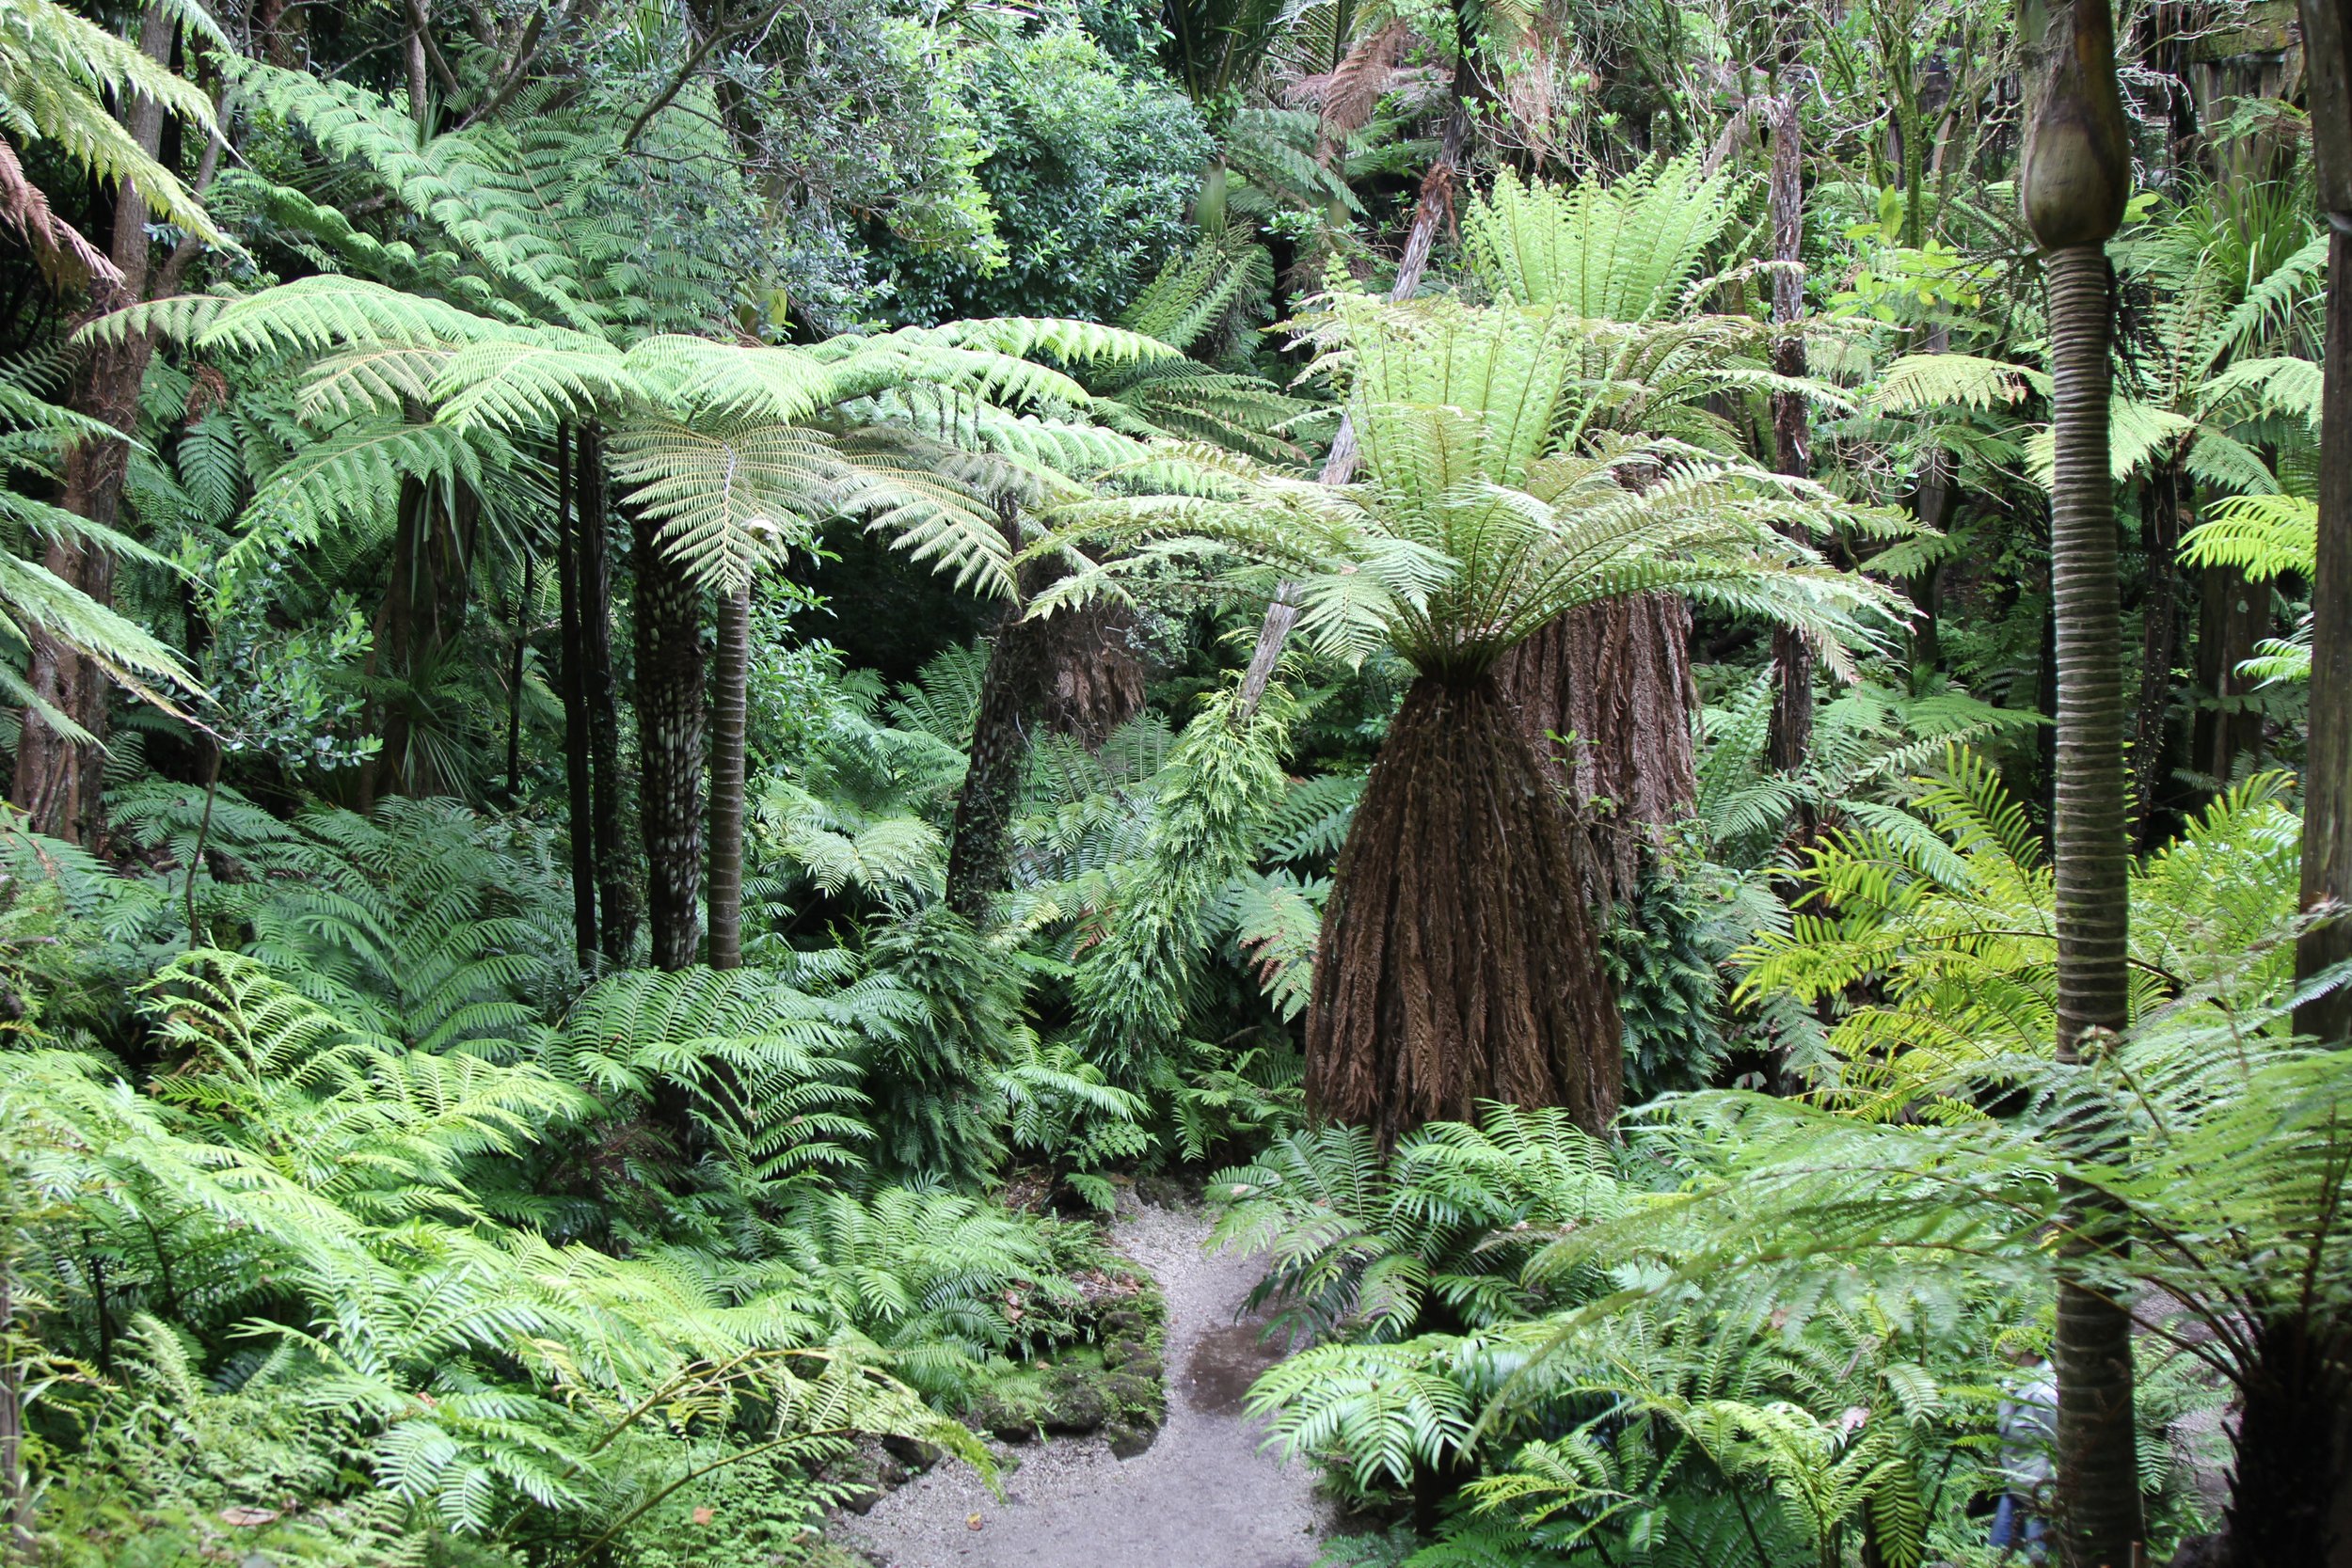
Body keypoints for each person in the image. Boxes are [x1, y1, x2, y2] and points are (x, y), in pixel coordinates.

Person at [1991, 1354, 2057, 1560]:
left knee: (2037, 1559)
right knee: (1993, 1556)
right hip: (2014, 1489)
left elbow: (2062, 1446)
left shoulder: (2046, 1392)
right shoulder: (2010, 1383)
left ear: (2033, 1353)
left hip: (2041, 1500)